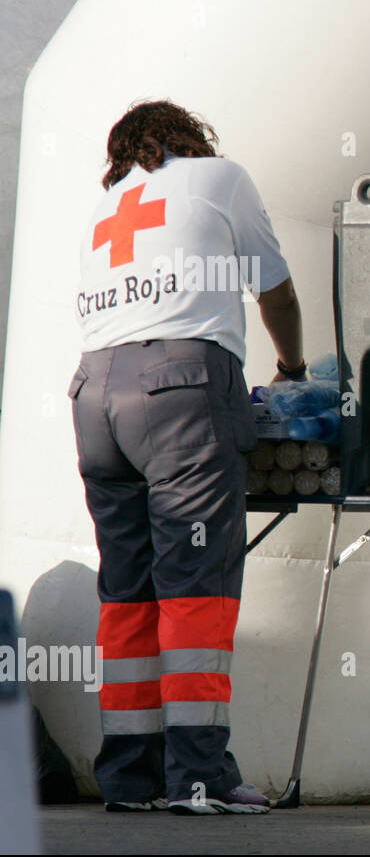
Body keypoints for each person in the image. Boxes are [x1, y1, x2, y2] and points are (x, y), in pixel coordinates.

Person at [69, 100, 305, 814]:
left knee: (129, 591)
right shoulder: (220, 178)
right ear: (191, 138)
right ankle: (200, 777)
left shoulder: (107, 206)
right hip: (179, 390)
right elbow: (277, 290)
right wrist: (291, 368)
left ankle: (129, 778)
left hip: (94, 396)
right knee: (195, 588)